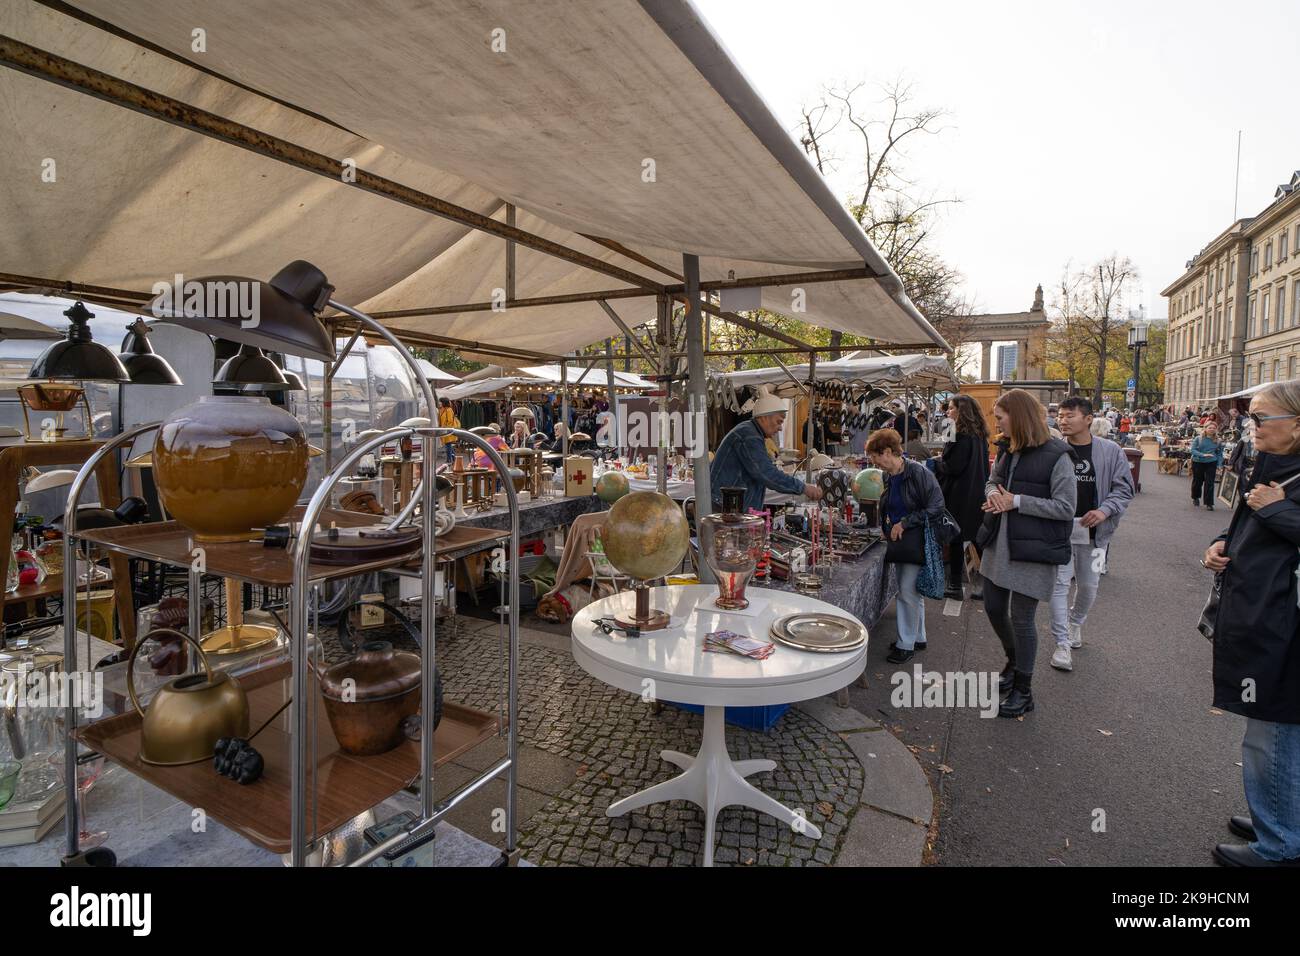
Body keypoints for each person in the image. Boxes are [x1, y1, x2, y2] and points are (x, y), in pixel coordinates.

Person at [1202, 379, 1300, 867]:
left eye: (1262, 419)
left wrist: (1277, 510)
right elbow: (1246, 523)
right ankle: (1278, 817)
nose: (1251, 426)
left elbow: (1275, 518)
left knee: (1273, 734)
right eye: (1251, 418)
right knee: (1269, 732)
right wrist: (1221, 544)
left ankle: (1279, 842)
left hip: (1283, 625)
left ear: (1298, 426)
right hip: (1260, 613)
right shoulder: (1269, 465)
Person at [978, 389, 1076, 718]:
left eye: (1000, 415)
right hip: (1000, 543)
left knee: (1022, 619)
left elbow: (1065, 508)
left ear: (1017, 416)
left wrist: (1015, 501)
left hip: (1032, 550)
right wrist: (994, 495)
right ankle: (1014, 660)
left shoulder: (1057, 455)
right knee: (992, 606)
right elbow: (993, 481)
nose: (996, 421)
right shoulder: (1008, 449)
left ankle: (1024, 688)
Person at [1048, 397, 1134, 672]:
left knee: (1089, 585)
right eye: (1060, 415)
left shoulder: (1111, 451)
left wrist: (1104, 511)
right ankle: (1061, 643)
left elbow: (1124, 489)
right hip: (1059, 531)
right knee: (1059, 586)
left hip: (1098, 536)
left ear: (1088, 419)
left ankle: (1075, 623)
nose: (1063, 420)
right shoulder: (1053, 450)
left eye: (1069, 415)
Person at [867, 428, 946, 664]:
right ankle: (917, 637)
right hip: (901, 539)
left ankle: (905, 644)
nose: (874, 462)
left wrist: (905, 522)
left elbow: (937, 506)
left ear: (888, 452)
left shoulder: (919, 473)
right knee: (911, 592)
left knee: (906, 592)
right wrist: (886, 525)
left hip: (916, 539)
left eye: (875, 456)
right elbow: (889, 503)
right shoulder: (890, 475)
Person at [709, 386, 823, 513]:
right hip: (725, 508)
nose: (780, 428)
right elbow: (766, 473)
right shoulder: (749, 435)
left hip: (729, 506)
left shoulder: (751, 432)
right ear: (764, 417)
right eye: (779, 422)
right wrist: (803, 488)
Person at [935, 394, 990, 601]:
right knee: (976, 537)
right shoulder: (979, 433)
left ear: (961, 411)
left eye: (950, 408)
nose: (947, 412)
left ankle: (955, 584)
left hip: (958, 492)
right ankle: (987, 583)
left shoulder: (957, 433)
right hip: (977, 490)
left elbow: (952, 466)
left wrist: (936, 464)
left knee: (956, 536)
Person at [1190, 422, 1224, 510]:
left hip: (1211, 462)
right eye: (1210, 428)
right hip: (1198, 462)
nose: (1212, 429)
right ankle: (1196, 497)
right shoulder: (1199, 438)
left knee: (1210, 483)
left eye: (1214, 428)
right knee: (1198, 481)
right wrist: (1202, 455)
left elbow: (1219, 454)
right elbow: (1193, 450)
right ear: (1205, 428)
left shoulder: (1218, 440)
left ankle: (1209, 503)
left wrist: (1220, 464)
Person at [438, 398, 459, 465]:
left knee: (448, 445)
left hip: (448, 430)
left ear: (443, 402)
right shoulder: (442, 410)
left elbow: (450, 421)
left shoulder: (449, 410)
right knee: (448, 445)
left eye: (440, 402)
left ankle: (449, 460)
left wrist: (446, 429)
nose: (439, 403)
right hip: (444, 430)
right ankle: (453, 459)